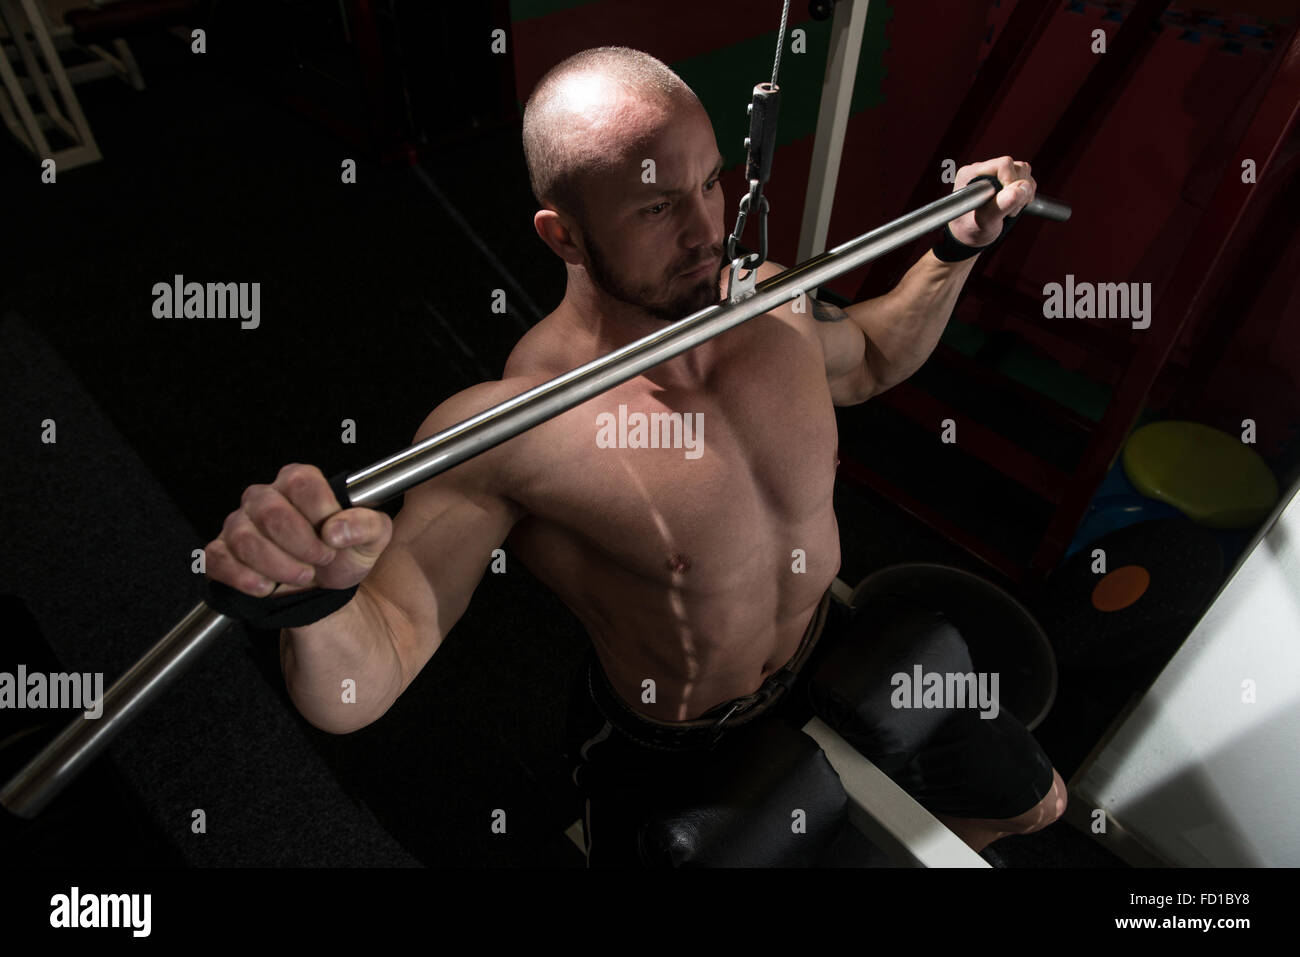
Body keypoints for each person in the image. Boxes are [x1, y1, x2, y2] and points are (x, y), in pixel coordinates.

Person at [203, 46, 1066, 866]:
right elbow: (369, 676)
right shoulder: (510, 430)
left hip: (819, 645)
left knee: (1037, 804)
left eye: (711, 182)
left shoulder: (769, 303)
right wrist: (312, 603)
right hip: (676, 739)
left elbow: (875, 354)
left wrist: (954, 249)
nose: (705, 231)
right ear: (563, 236)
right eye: (657, 207)